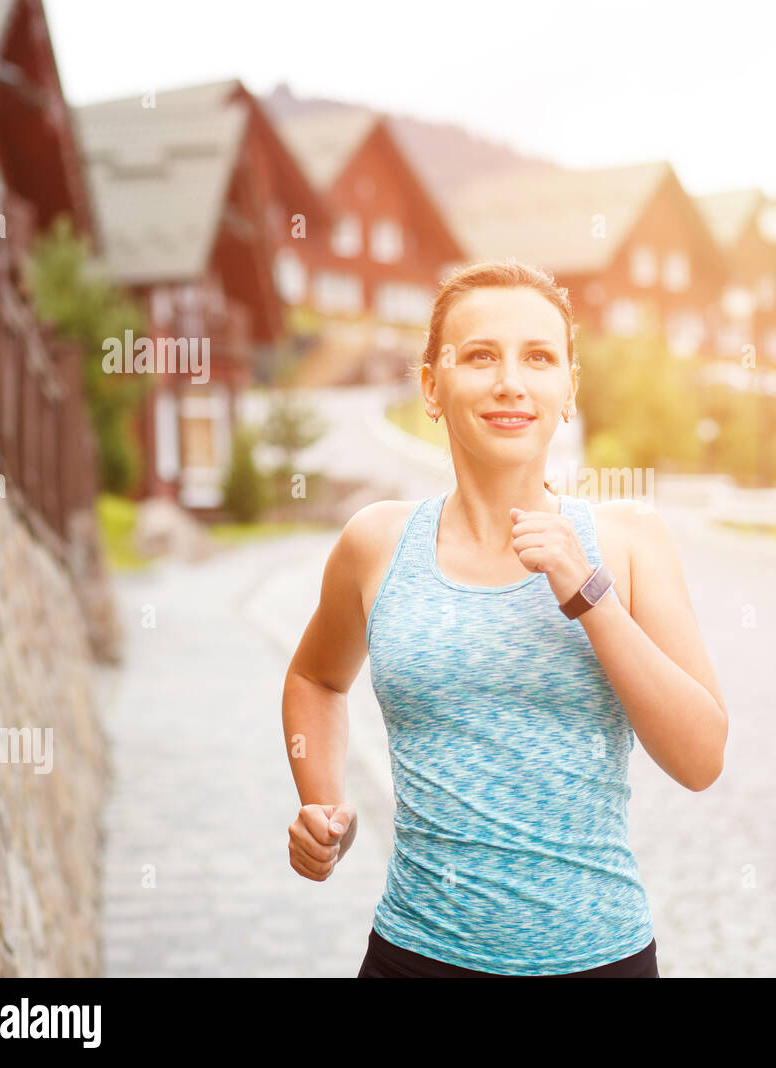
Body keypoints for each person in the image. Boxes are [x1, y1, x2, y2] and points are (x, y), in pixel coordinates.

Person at [282, 258, 728, 977]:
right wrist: (325, 805)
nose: (511, 382)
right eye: (481, 355)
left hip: (598, 959)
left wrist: (588, 593)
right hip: (415, 955)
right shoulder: (376, 543)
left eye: (539, 358)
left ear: (569, 391)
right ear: (431, 385)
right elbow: (314, 677)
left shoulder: (628, 541)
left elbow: (701, 757)